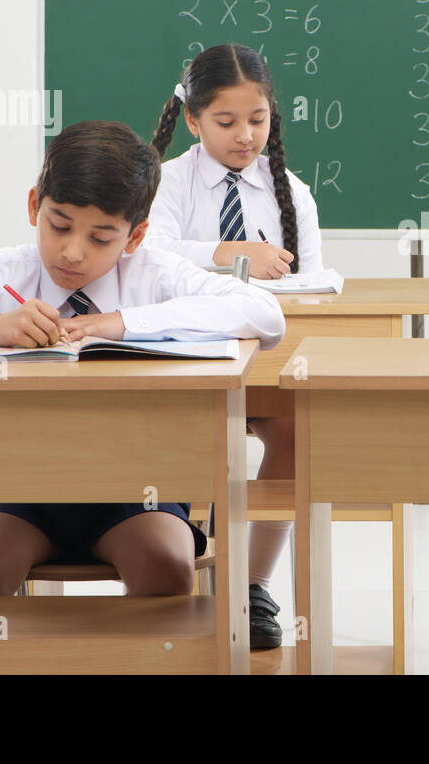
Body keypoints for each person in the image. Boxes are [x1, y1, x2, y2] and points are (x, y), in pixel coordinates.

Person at [0, 120, 284, 599]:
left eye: (101, 238)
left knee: (166, 571)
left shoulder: (154, 274)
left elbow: (264, 313)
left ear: (135, 236)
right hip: (17, 490)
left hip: (136, 490)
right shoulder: (3, 272)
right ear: (33, 207)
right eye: (59, 225)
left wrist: (120, 323)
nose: (72, 252)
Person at [145, 43, 321, 648]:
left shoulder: (291, 192)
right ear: (192, 120)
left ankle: (248, 583)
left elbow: (312, 292)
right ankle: (182, 559)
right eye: (225, 122)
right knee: (196, 433)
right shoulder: (165, 184)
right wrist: (230, 254)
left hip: (266, 359)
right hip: (179, 361)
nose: (244, 136)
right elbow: (144, 251)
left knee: (298, 431)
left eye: (258, 120)